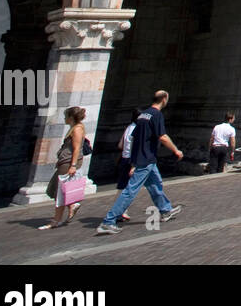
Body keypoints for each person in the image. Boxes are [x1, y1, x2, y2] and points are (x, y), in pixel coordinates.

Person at [96, 90, 183, 234]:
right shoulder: (156, 115)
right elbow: (163, 137)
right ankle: (108, 221)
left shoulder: (143, 115)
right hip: (146, 159)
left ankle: (166, 210)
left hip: (145, 158)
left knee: (156, 184)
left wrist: (133, 160)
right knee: (130, 190)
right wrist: (176, 150)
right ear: (164, 99)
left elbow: (134, 139)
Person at [39, 106, 88, 230]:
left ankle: (56, 220)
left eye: (65, 116)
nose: (64, 118)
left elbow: (76, 149)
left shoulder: (77, 129)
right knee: (59, 189)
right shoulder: (75, 128)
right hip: (65, 162)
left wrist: (72, 165)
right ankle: (72, 205)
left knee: (59, 191)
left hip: (68, 163)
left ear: (71, 118)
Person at [113, 107, 141, 221]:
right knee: (129, 188)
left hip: (124, 159)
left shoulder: (128, 128)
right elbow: (136, 148)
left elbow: (120, 145)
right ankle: (119, 211)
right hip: (131, 161)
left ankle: (120, 210)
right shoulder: (138, 130)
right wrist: (134, 165)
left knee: (122, 186)